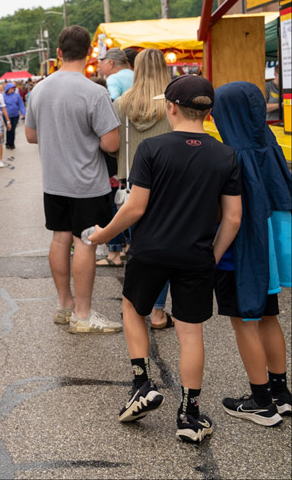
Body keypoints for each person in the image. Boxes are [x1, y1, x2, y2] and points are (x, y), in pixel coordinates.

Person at [87, 75, 242, 444]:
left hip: (151, 250)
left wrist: (101, 235)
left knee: (131, 307)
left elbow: (135, 208)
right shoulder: (225, 154)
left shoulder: (152, 149)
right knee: (190, 332)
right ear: (208, 111)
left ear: (170, 107)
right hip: (197, 254)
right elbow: (233, 217)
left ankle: (142, 383)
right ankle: (189, 415)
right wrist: (212, 255)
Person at [24, 25, 123, 334]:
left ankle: (65, 306)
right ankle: (83, 314)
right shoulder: (94, 92)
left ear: (58, 52)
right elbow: (111, 144)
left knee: (59, 238)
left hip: (53, 180)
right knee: (85, 241)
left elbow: (29, 135)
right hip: (87, 182)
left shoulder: (40, 88)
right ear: (89, 54)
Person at [212, 81, 292, 426]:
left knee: (245, 321)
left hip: (243, 254)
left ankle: (260, 401)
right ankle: (281, 393)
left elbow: (230, 215)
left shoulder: (231, 155)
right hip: (271, 253)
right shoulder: (271, 144)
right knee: (270, 317)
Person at [99, 49, 172, 273]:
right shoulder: (173, 102)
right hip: (170, 176)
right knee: (169, 240)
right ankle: (160, 304)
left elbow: (114, 147)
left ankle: (142, 296)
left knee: (141, 240)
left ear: (136, 68)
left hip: (135, 178)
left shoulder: (120, 104)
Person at [3, 82, 25, 151]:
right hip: (6, 115)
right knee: (9, 129)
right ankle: (8, 143)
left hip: (15, 115)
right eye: (12, 88)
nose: (13, 89)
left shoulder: (17, 95)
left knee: (13, 129)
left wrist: (24, 113)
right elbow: (1, 107)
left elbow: (21, 104)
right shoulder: (3, 96)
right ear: (8, 88)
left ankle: (12, 143)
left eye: (14, 88)